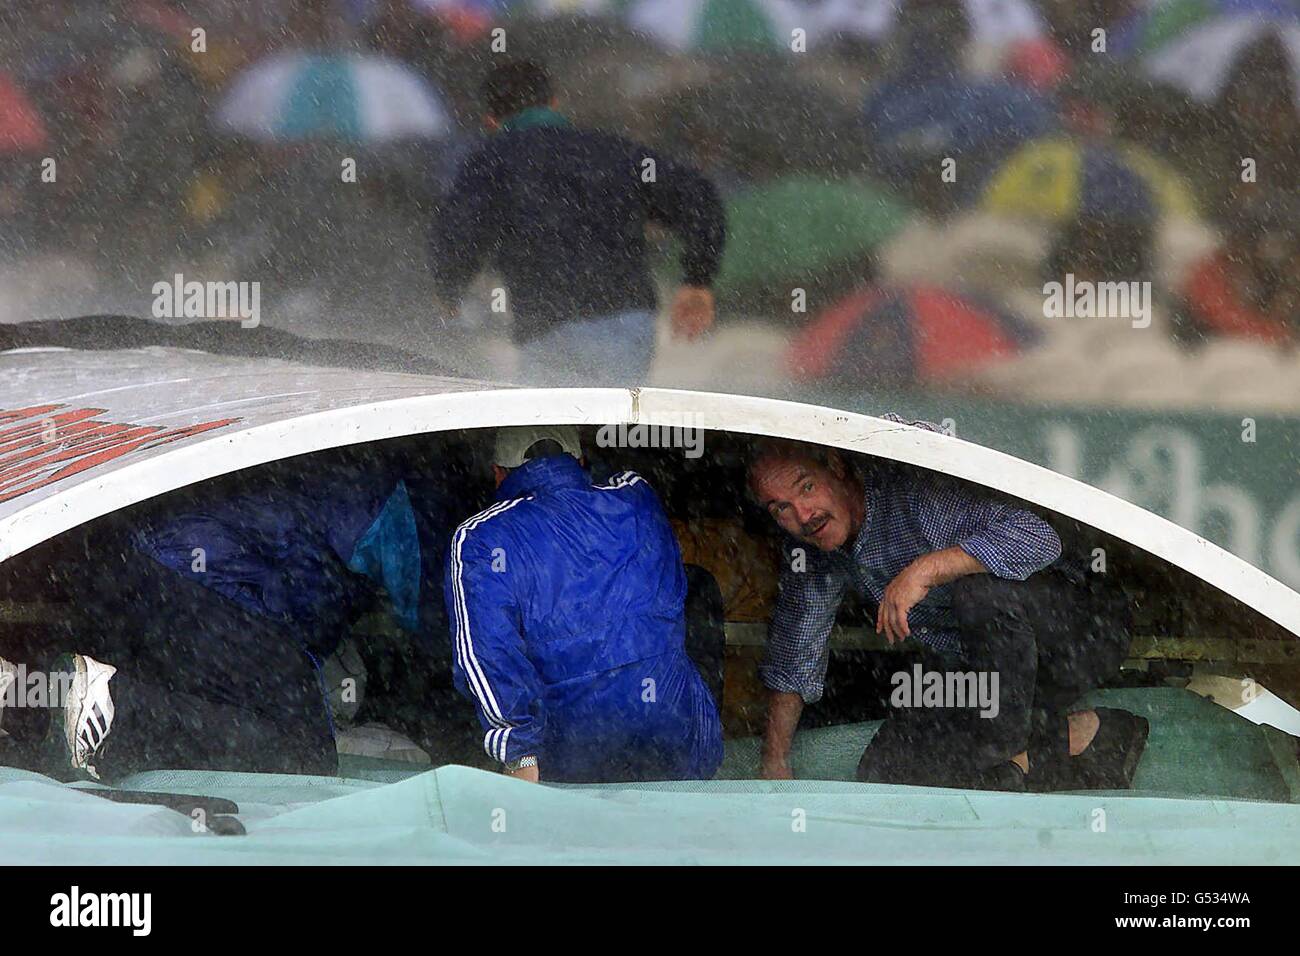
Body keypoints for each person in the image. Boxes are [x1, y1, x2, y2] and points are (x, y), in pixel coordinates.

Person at [747, 415, 1146, 792]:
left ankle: (1004, 757)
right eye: (780, 508)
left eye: (806, 488)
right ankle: (1094, 736)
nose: (802, 514)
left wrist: (925, 570)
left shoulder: (912, 496)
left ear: (835, 465)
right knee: (885, 771)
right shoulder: (814, 551)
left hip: (1078, 633)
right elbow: (796, 652)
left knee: (978, 591)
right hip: (993, 668)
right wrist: (775, 761)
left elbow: (1037, 538)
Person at [14, 459, 437, 781]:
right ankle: (116, 706)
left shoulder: (348, 468)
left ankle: (17, 696)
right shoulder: (424, 507)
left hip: (138, 562)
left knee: (213, 709)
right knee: (308, 757)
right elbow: (442, 620)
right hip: (197, 577)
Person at [444, 425, 723, 783]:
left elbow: (486, 654)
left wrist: (518, 750)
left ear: (498, 475)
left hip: (570, 755)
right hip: (679, 738)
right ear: (580, 460)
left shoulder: (479, 538)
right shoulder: (637, 496)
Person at [428, 59, 726, 385]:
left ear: (491, 121)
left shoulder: (492, 160)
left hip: (548, 327)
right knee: (611, 428)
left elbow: (458, 231)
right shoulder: (614, 151)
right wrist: (698, 279)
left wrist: (449, 290)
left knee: (551, 426)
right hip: (626, 320)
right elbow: (699, 196)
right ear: (555, 103)